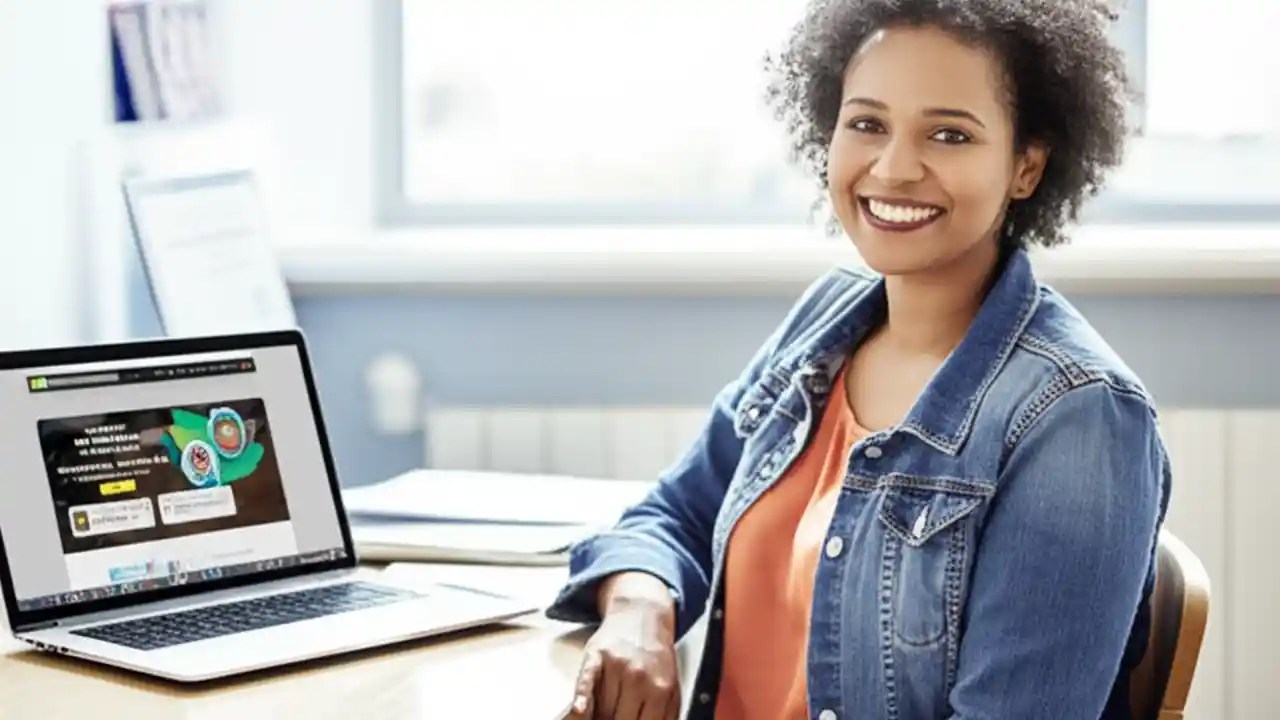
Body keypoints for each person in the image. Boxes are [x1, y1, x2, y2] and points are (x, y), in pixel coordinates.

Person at [545, 1, 1170, 718]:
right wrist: (638, 612)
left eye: (949, 134)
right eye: (867, 123)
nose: (894, 168)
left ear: (1025, 166)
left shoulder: (1079, 417)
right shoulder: (824, 324)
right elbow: (673, 515)